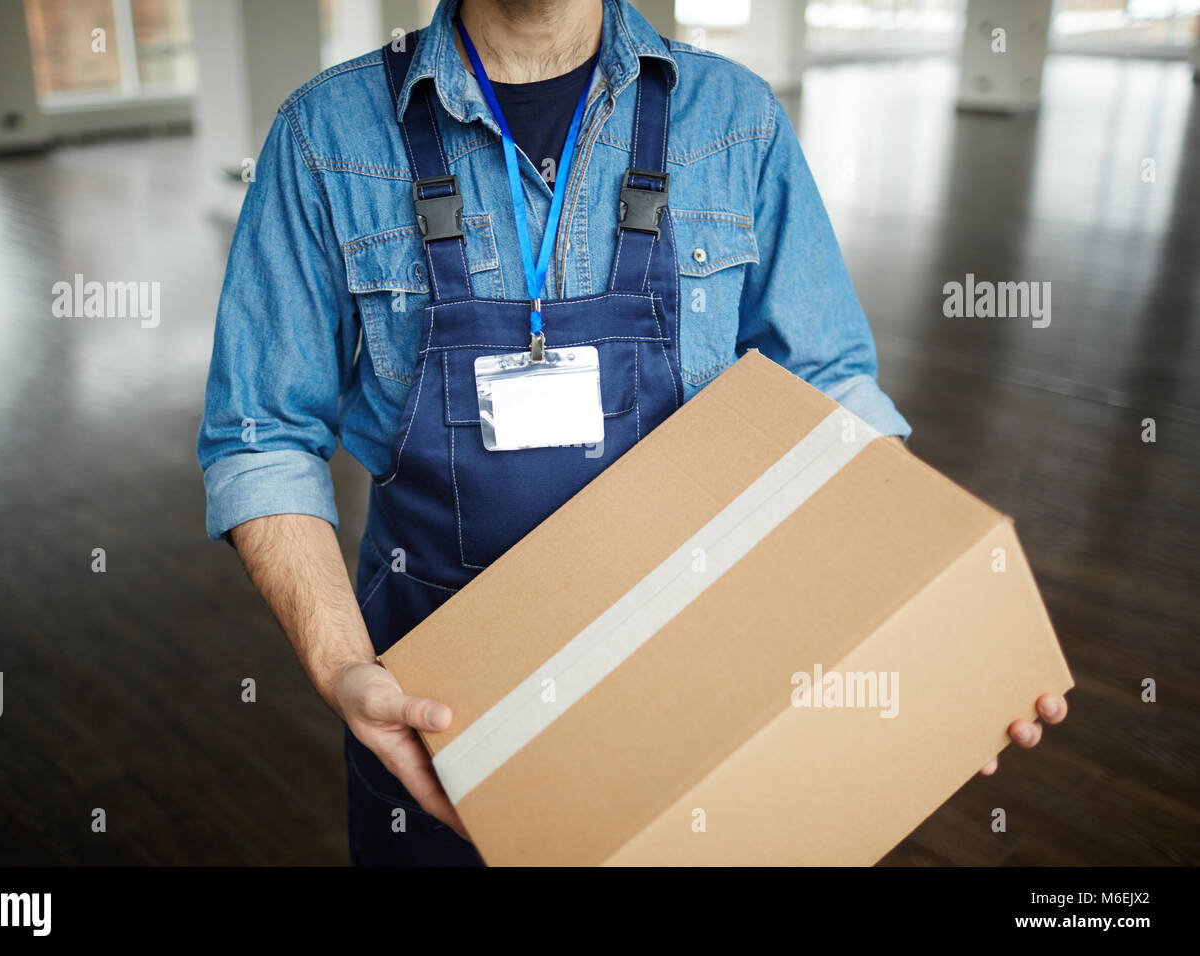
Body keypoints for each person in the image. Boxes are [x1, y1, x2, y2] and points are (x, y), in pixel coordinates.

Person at [196, 0, 1068, 866]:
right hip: (443, 721)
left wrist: (935, 614)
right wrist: (343, 667)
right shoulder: (325, 137)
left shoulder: (734, 120)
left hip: (699, 679)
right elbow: (261, 438)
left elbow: (828, 389)